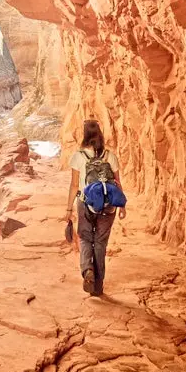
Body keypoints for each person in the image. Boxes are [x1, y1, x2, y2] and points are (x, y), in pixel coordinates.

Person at [63, 120, 120, 296]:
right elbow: (117, 182)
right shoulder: (110, 156)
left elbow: (74, 185)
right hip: (108, 205)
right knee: (100, 243)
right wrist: (121, 204)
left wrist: (68, 209)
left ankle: (87, 269)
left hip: (85, 202)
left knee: (86, 238)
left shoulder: (78, 156)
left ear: (84, 135)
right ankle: (98, 286)